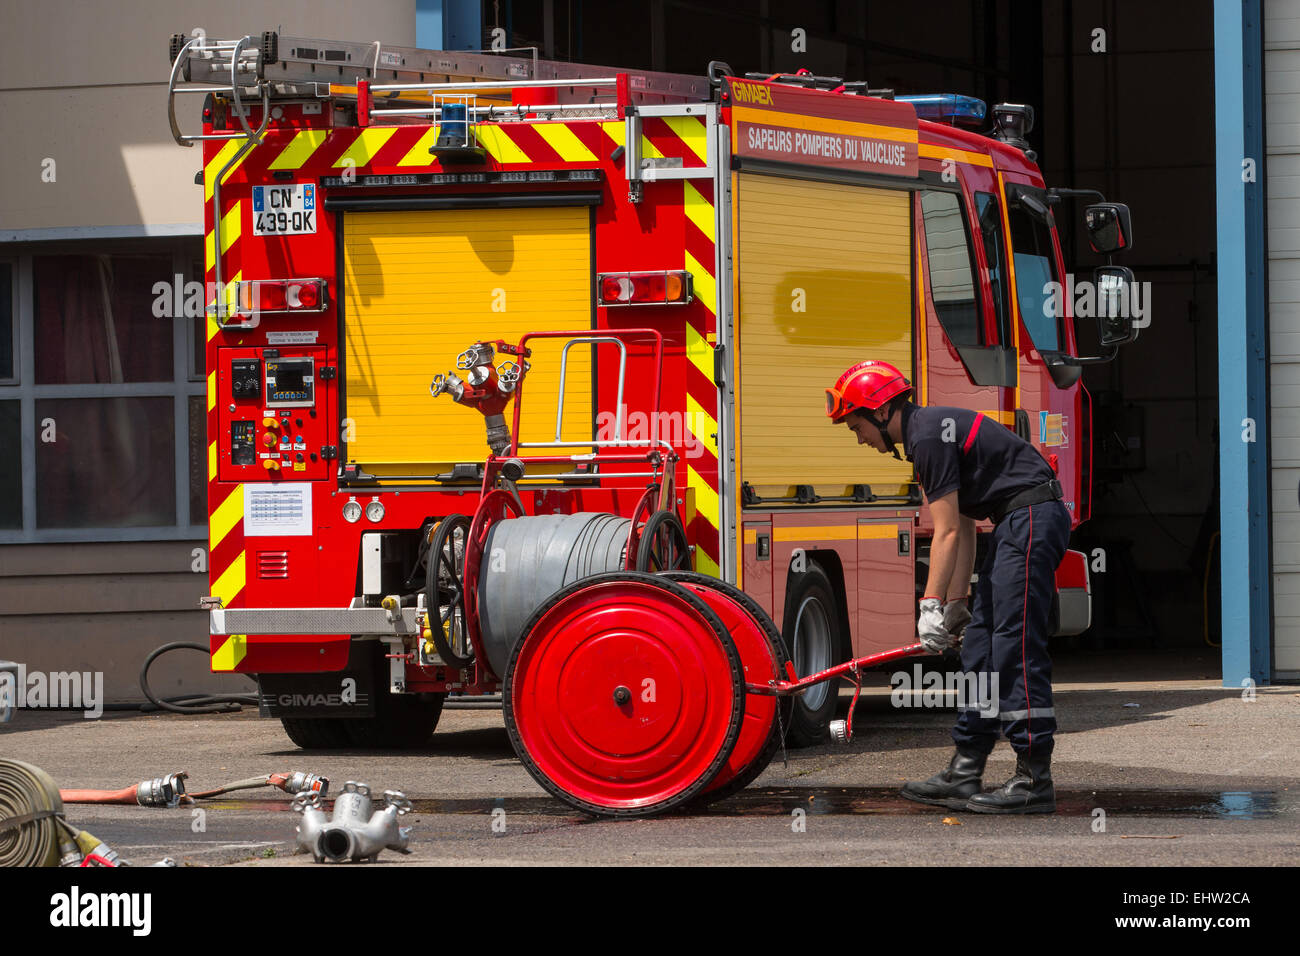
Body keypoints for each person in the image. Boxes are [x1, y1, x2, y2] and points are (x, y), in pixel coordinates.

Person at [825, 360, 1071, 814]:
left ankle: (1035, 780)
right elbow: (963, 520)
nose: (859, 438)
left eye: (857, 426)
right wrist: (957, 602)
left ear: (881, 413)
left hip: (1031, 519)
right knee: (979, 646)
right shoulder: (929, 431)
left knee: (1014, 647)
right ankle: (965, 770)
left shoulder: (925, 438)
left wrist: (930, 605)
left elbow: (947, 534)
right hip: (1015, 523)